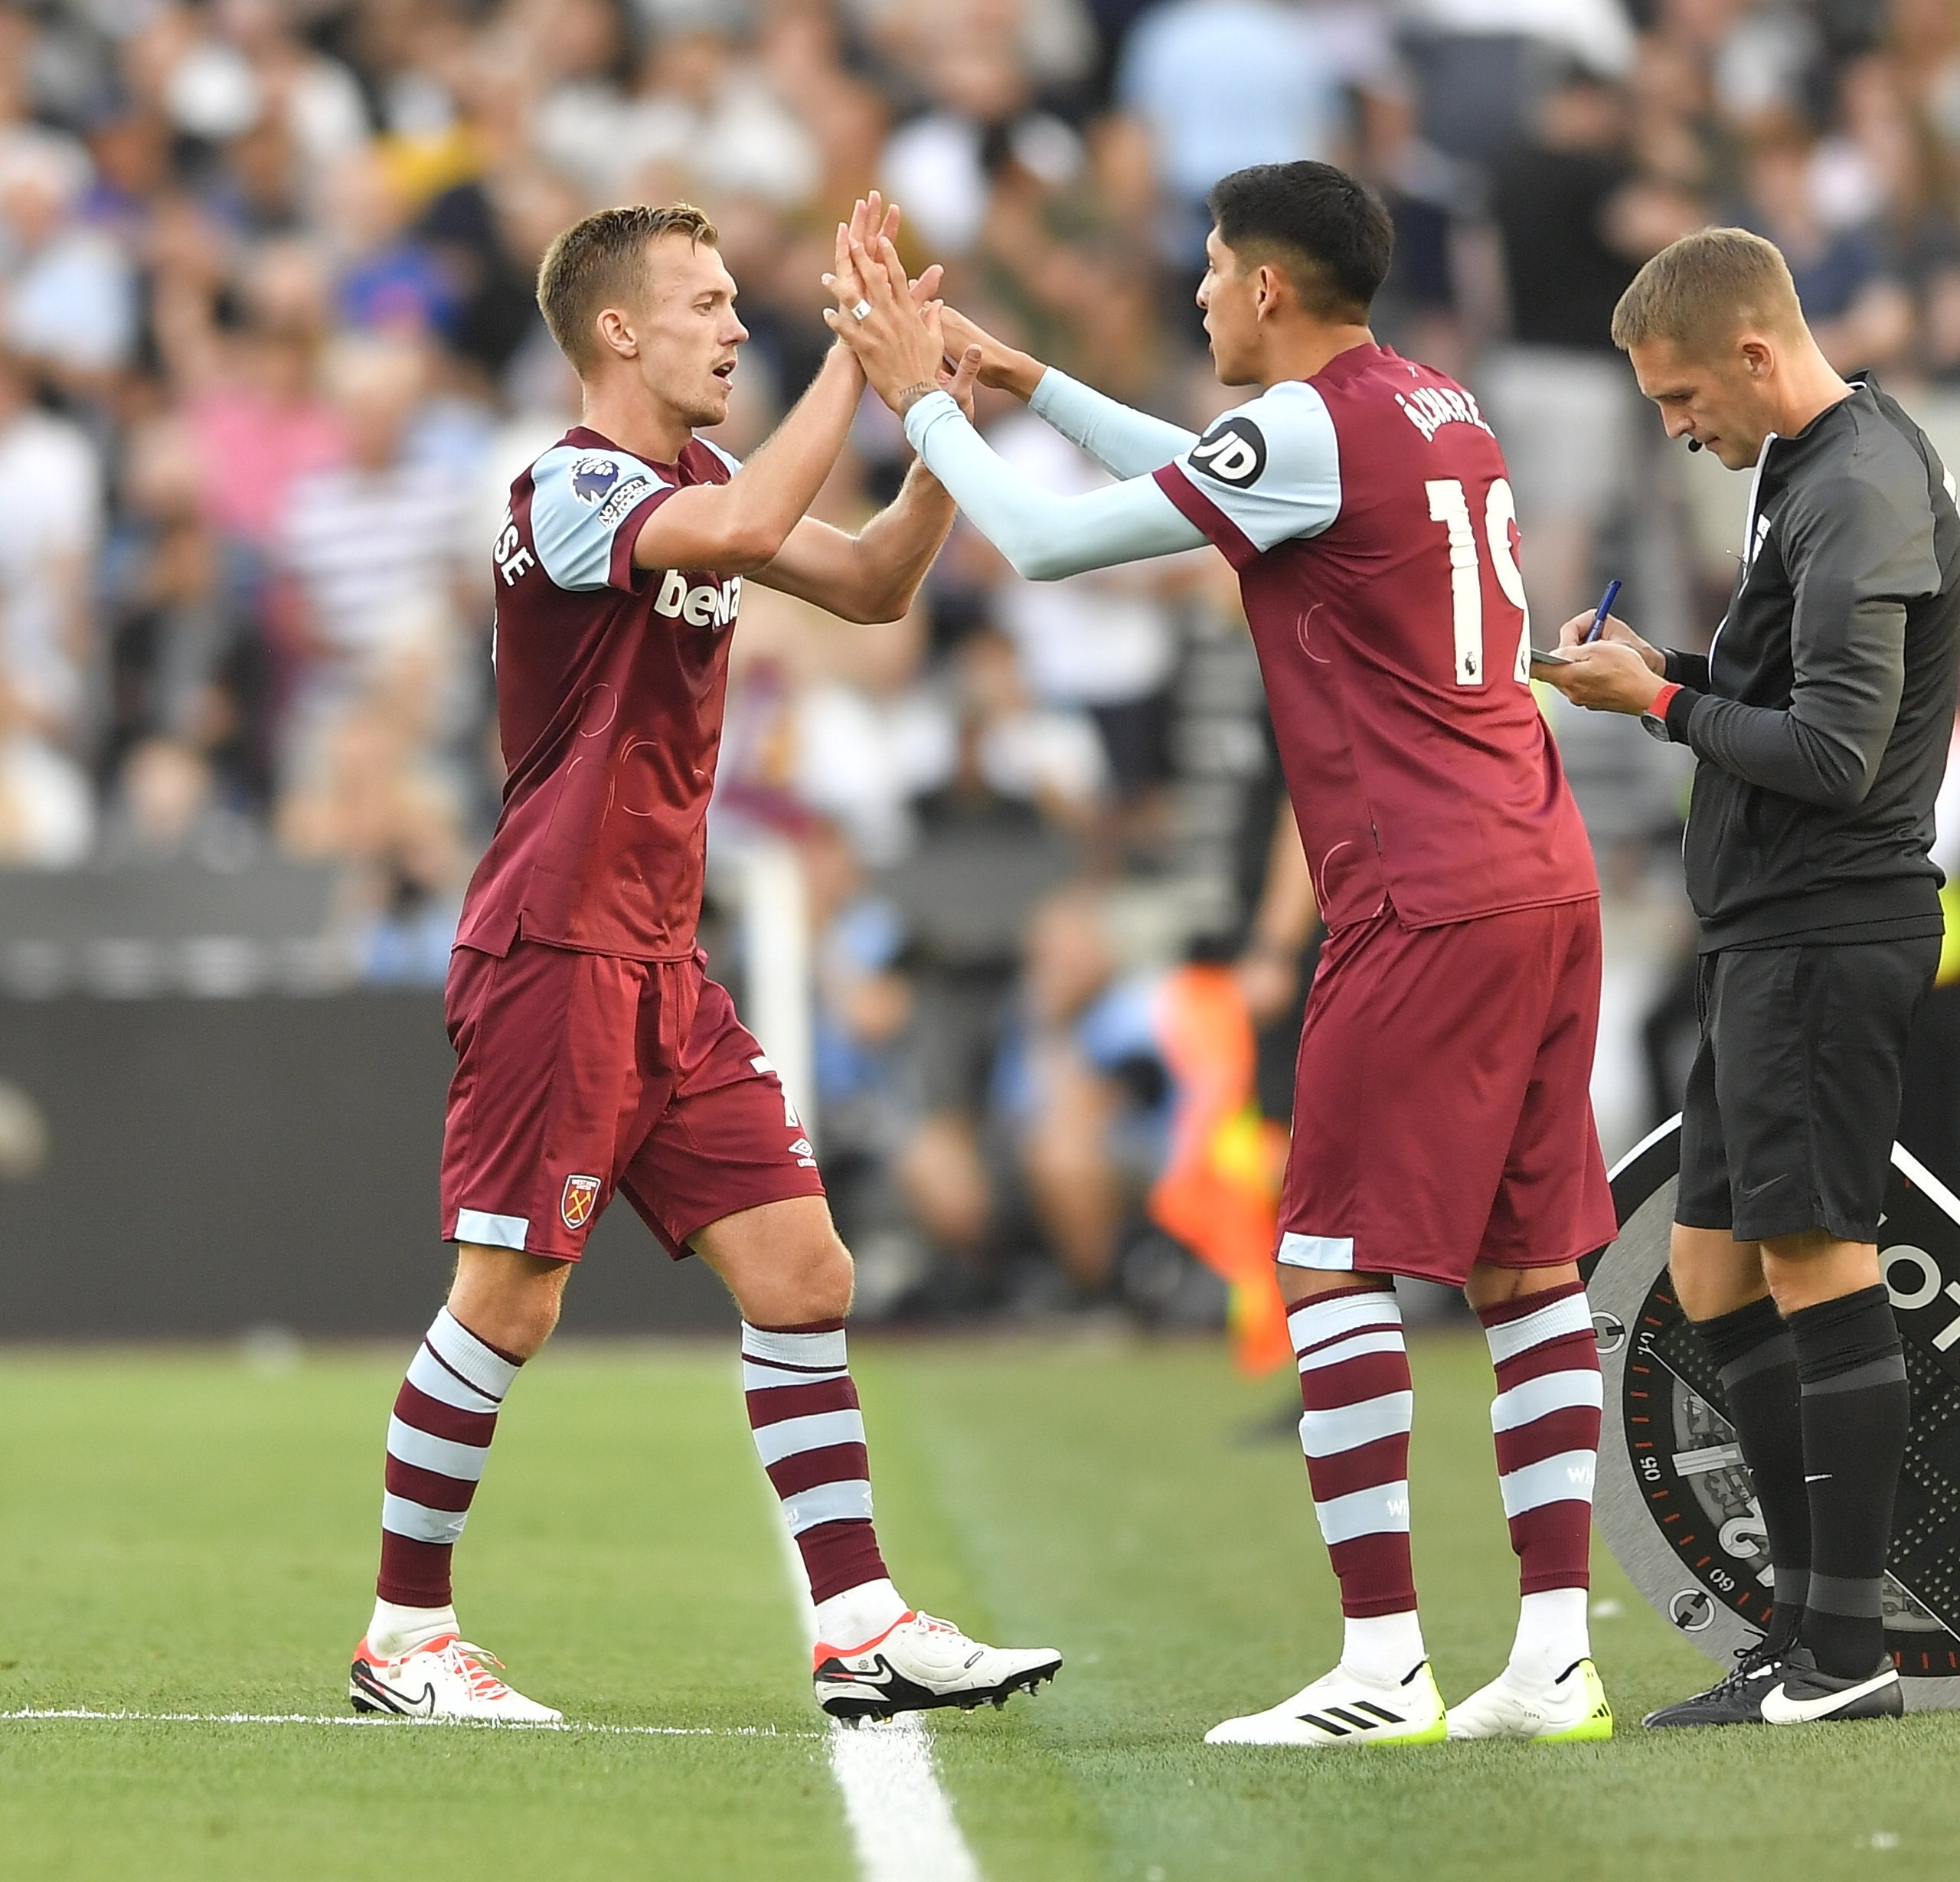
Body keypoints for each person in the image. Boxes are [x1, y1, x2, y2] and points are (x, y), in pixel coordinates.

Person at [826, 160, 1619, 1746]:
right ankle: (1549, 1655)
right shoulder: (1430, 403)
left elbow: (1049, 548)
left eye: (1205, 268)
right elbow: (1225, 471)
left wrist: (922, 406)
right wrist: (1027, 375)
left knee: (1325, 1258)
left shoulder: (1306, 429)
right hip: (1540, 868)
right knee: (1528, 1271)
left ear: (1265, 285)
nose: (1192, 292)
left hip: (1420, 892)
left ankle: (1382, 1659)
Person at [348, 195, 1060, 1725]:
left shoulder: (696, 476)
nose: (738, 325)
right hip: (552, 945)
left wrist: (930, 414)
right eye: (710, 301)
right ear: (619, 328)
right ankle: (403, 1635)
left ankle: (858, 1621)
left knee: (804, 1272)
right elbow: (743, 537)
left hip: (663, 953)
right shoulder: (565, 490)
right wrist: (857, 370)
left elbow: (870, 584)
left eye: (745, 302)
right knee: (509, 1299)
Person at [1544, 226, 1960, 1727]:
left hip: (1821, 927)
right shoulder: (1807, 460)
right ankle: (1804, 1628)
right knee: (1711, 1274)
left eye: (1674, 396)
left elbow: (1839, 755)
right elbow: (1781, 694)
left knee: (1814, 1265)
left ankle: (1841, 1652)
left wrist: (1653, 700)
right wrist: (1666, 663)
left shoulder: (1851, 484)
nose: (1672, 425)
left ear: (1751, 349)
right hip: (1760, 932)